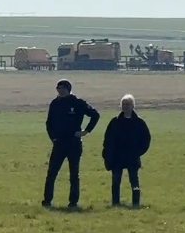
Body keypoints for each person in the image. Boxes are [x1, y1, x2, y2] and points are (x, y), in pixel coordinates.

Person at [42, 79, 100, 208]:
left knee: (74, 174)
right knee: (52, 173)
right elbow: (49, 123)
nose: (60, 91)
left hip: (74, 143)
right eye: (58, 89)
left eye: (62, 89)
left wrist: (86, 131)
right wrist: (54, 138)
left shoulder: (78, 103)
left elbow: (95, 115)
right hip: (59, 144)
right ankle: (47, 201)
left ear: (68, 89)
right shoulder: (55, 103)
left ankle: (73, 202)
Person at [101, 94, 151, 207]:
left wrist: (137, 152)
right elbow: (107, 139)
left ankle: (136, 202)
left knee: (134, 180)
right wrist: (107, 154)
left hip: (132, 157)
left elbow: (146, 140)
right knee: (115, 181)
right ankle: (115, 203)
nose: (125, 106)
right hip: (117, 157)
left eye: (128, 104)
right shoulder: (115, 122)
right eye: (123, 104)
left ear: (133, 106)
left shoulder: (139, 123)